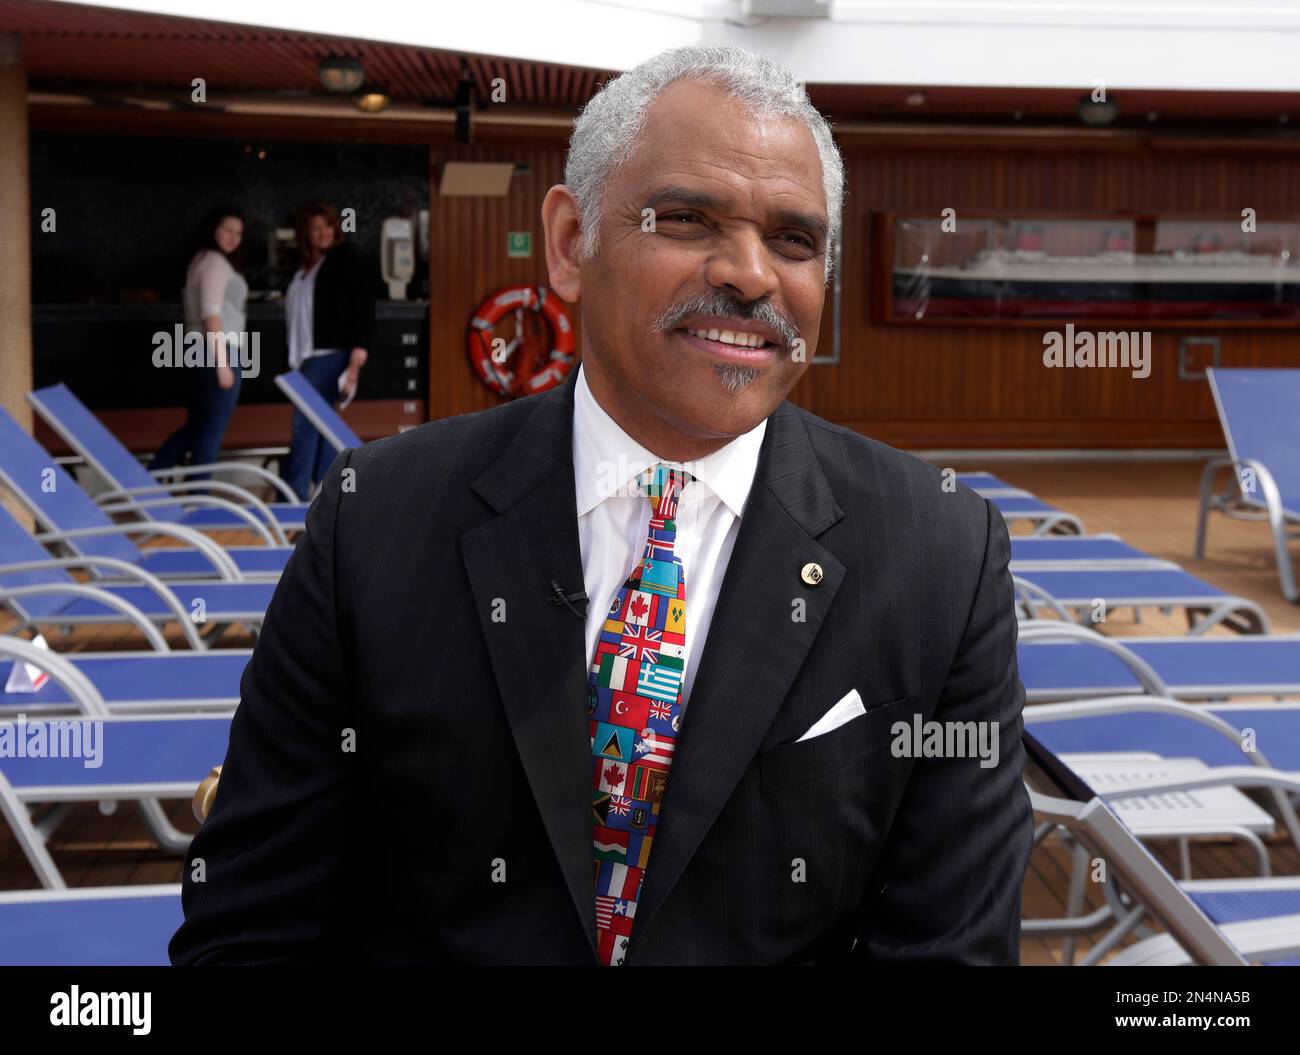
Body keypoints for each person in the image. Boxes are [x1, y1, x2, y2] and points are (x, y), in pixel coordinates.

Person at [171, 44, 1032, 966]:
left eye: (793, 239)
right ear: (571, 243)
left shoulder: (942, 553)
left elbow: (950, 949)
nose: (750, 273)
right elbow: (252, 925)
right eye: (690, 218)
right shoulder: (373, 521)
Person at [279, 201, 372, 501]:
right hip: (307, 356)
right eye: (315, 228)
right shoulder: (308, 265)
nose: (322, 233)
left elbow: (363, 305)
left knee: (305, 424)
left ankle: (292, 498)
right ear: (306, 233)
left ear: (336, 228)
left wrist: (359, 352)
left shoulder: (345, 258)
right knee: (319, 425)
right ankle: (325, 493)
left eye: (326, 226)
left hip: (330, 353)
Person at [148, 206, 247, 478]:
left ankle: (149, 482)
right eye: (227, 230)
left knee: (198, 428)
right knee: (210, 431)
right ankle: (199, 499)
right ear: (212, 229)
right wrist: (223, 364)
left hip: (198, 349)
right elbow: (210, 314)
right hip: (216, 349)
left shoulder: (201, 259)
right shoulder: (214, 262)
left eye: (238, 233)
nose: (233, 237)